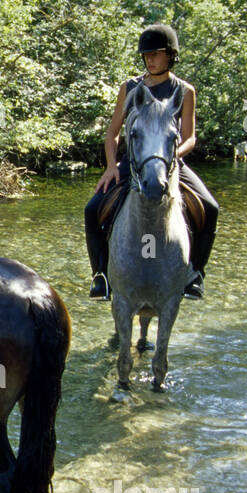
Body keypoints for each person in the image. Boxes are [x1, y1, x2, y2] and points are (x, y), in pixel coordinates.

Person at [84, 23, 219, 300]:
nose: (150, 59)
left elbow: (189, 137)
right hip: (132, 163)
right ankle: (100, 276)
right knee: (91, 209)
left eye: (156, 54)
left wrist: (169, 158)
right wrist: (111, 166)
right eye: (147, 55)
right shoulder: (131, 87)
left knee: (211, 208)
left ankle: (195, 275)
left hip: (170, 164)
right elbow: (113, 133)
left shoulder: (184, 90)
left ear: (171, 55)